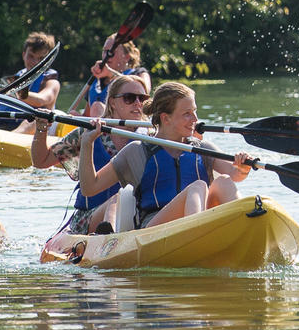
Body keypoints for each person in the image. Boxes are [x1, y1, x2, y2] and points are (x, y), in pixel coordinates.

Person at [75, 82, 254, 229]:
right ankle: (197, 234)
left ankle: (245, 228)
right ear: (166, 118)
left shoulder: (203, 148)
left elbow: (235, 174)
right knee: (197, 186)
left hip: (200, 222)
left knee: (223, 181)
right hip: (154, 228)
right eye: (187, 114)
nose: (195, 119)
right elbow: (90, 188)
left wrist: (243, 167)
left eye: (195, 111)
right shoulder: (137, 151)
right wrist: (87, 143)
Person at [34, 74, 149, 234]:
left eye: (142, 98)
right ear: (113, 102)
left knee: (125, 201)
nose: (137, 103)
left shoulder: (152, 137)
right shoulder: (88, 132)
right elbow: (41, 161)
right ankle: (108, 235)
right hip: (90, 217)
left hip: (137, 216)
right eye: (129, 98)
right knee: (119, 199)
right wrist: (41, 128)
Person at [0, 32, 62, 133]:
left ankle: (7, 140)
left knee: (30, 122)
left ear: (48, 61)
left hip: (32, 130)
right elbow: (2, 107)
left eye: (41, 58)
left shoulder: (52, 82)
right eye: (31, 56)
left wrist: (10, 90)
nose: (35, 62)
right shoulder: (18, 77)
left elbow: (41, 100)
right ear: (23, 54)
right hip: (4, 127)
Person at [69, 36, 154, 118]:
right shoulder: (97, 81)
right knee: (74, 113)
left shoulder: (139, 73)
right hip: (96, 126)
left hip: (124, 125)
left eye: (112, 52)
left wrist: (111, 74)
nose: (107, 55)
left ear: (127, 57)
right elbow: (87, 116)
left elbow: (144, 91)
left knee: (97, 106)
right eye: (105, 51)